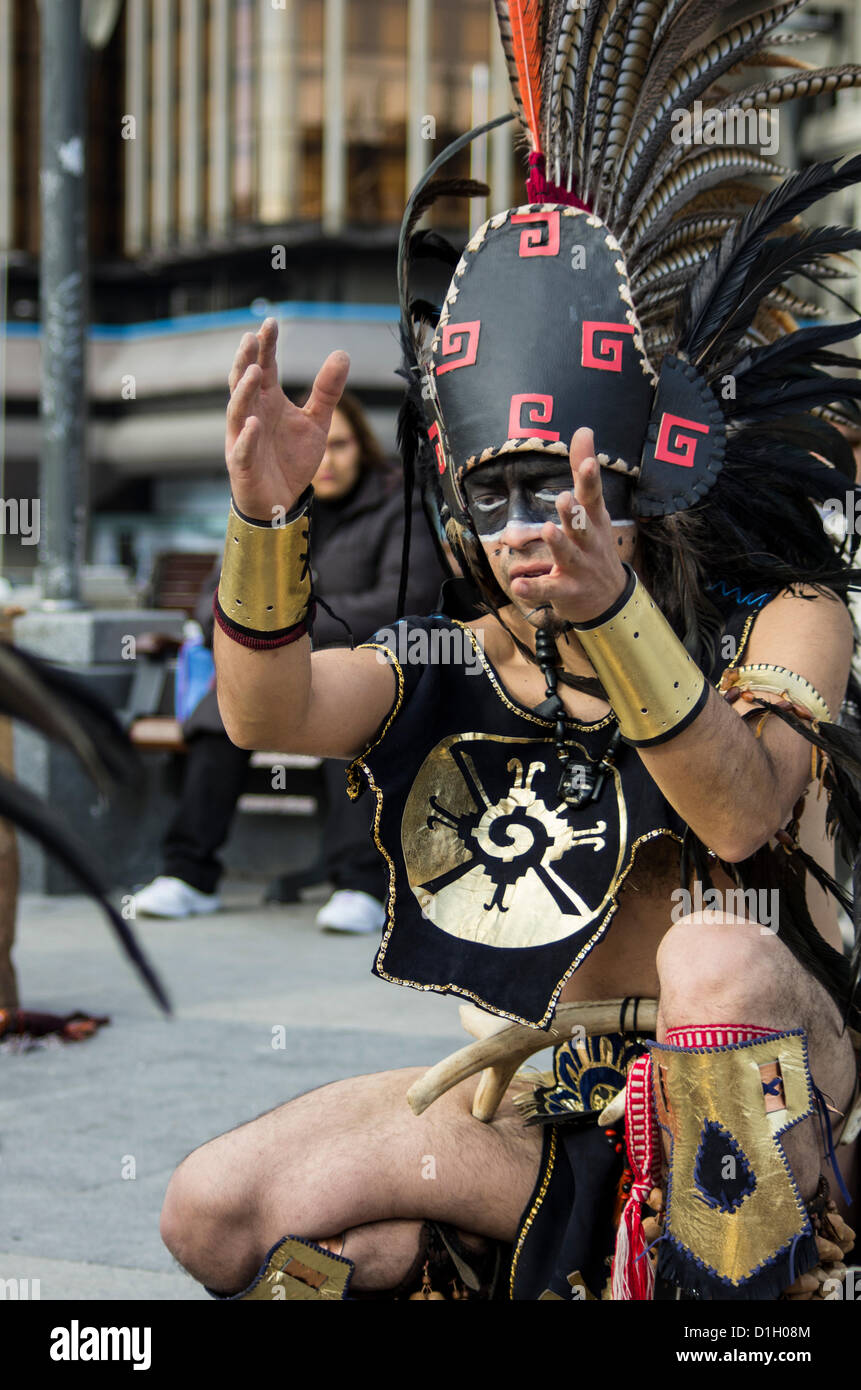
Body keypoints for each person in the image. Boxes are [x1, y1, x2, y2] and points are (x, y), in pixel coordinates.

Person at [160, 0, 861, 1301]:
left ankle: (750, 1313)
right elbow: (267, 712)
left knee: (710, 953)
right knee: (217, 1210)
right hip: (558, 1107)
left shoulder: (786, 609)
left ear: (647, 472)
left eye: (557, 483)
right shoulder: (460, 643)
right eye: (496, 494)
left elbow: (742, 814)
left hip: (788, 1104)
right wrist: (266, 520)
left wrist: (612, 616)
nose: (526, 528)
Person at [132, 391, 444, 931]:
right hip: (275, 669)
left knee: (344, 711)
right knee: (215, 719)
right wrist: (275, 632)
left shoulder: (401, 501)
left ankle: (360, 883)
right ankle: (189, 874)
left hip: (368, 666)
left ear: (363, 448)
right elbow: (223, 595)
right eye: (316, 449)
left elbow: (405, 601)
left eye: (340, 445)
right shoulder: (275, 503)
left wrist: (281, 625)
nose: (327, 461)